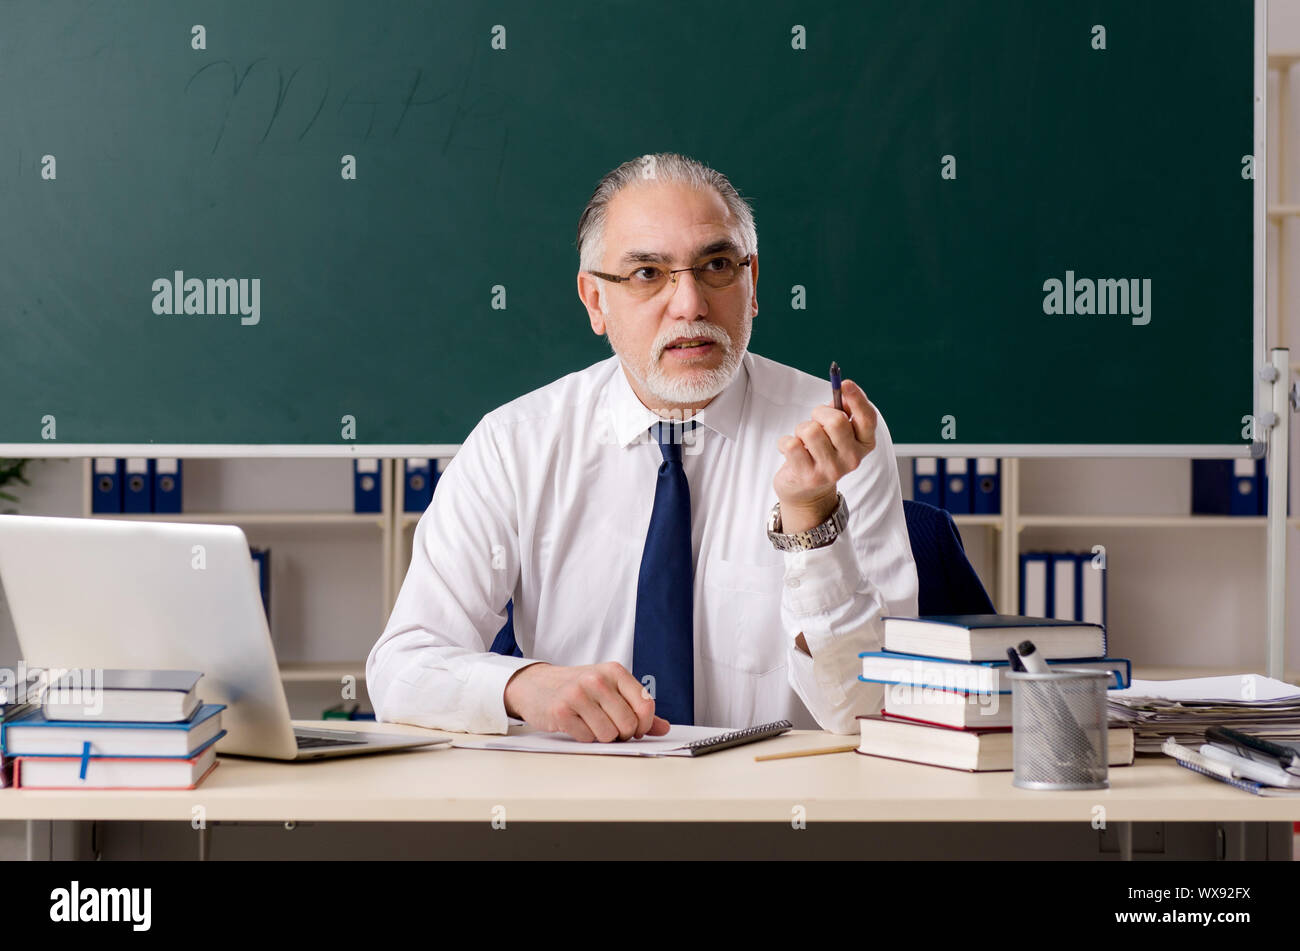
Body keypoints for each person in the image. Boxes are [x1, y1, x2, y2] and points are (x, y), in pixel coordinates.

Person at [367, 152, 918, 740]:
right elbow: (400, 670)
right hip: (581, 808)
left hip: (777, 810)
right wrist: (520, 685)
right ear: (595, 301)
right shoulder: (515, 446)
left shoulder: (831, 441)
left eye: (716, 265)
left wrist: (812, 522)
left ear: (752, 284)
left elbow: (871, 711)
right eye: (648, 274)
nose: (690, 305)